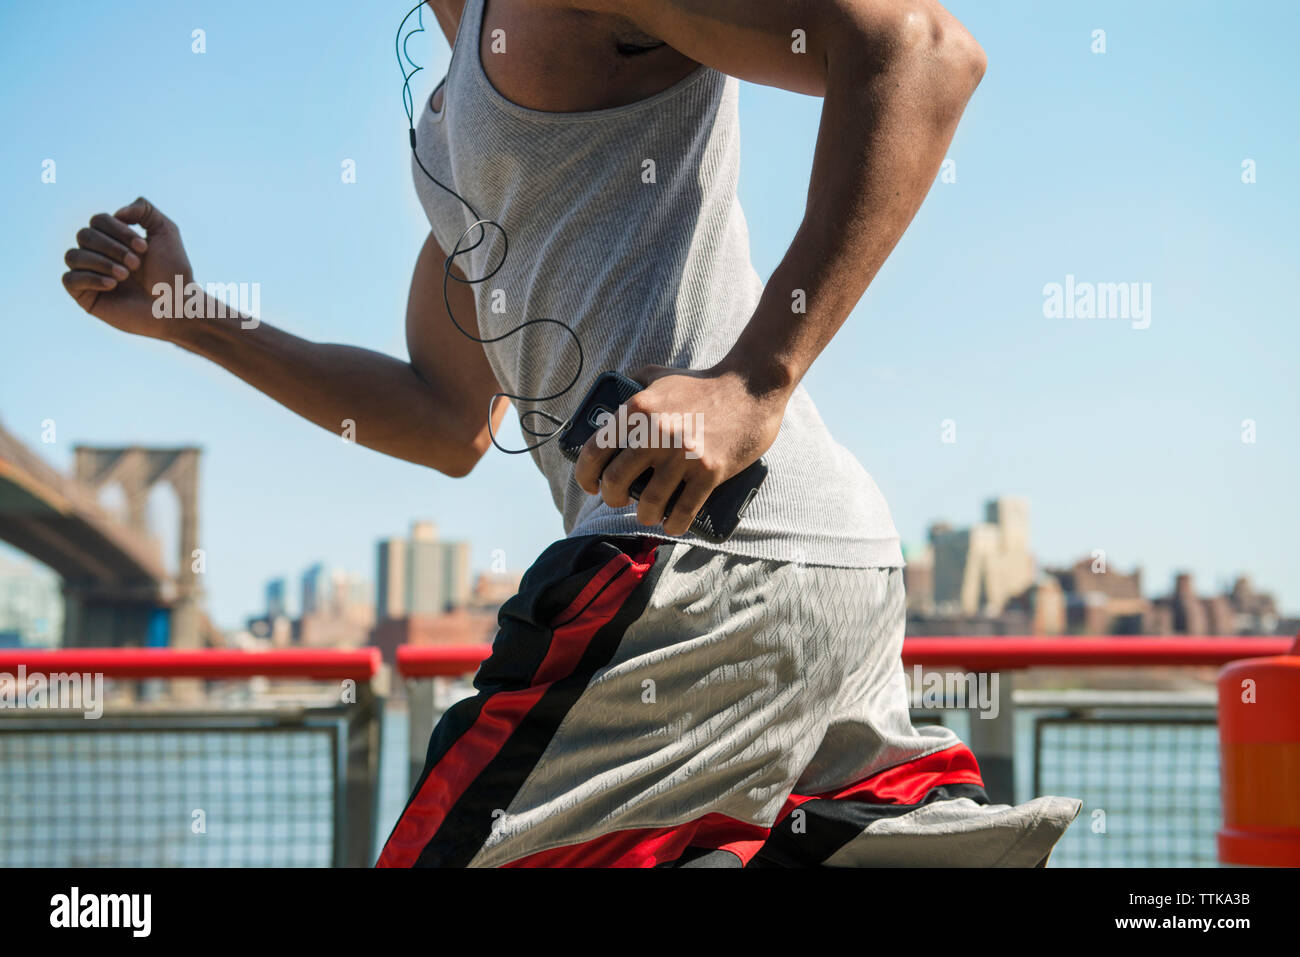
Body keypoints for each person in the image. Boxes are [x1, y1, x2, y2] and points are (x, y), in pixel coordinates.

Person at [61, 0, 1080, 867]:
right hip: (798, 574)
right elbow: (444, 417)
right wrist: (191, 314)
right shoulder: (451, 119)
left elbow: (922, 50)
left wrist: (752, 380)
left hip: (697, 563)